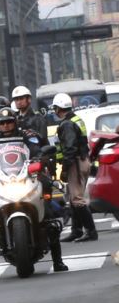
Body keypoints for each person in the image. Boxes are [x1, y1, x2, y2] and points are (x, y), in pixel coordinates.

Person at [0, 106, 66, 278]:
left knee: (47, 200)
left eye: (9, 121)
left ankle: (58, 260)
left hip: (25, 175)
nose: (6, 125)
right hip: (1, 179)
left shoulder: (26, 134)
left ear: (14, 121)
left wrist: (38, 159)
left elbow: (37, 148)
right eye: (2, 122)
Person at [52, 95, 98, 242]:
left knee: (77, 199)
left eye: (55, 108)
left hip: (75, 163)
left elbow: (70, 148)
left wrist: (65, 169)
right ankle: (76, 231)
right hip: (82, 160)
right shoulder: (75, 119)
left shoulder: (67, 124)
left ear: (58, 108)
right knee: (73, 199)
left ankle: (91, 231)